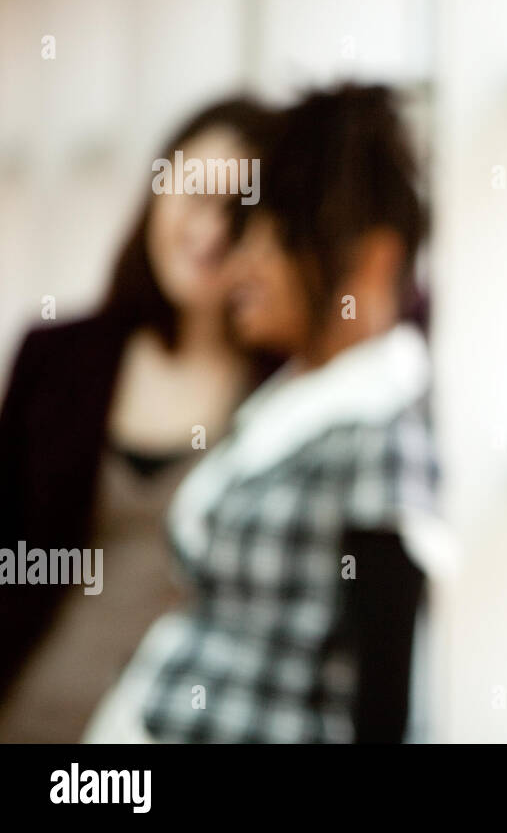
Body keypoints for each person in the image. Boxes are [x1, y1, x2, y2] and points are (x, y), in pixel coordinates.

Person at [83, 83, 440, 743]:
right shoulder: (297, 397)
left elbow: (384, 699)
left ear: (369, 258)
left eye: (268, 241)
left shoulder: (378, 428)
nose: (236, 262)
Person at [0, 97, 281, 742]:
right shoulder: (58, 358)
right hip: (31, 714)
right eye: (194, 196)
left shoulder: (283, 392)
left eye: (239, 211)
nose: (209, 232)